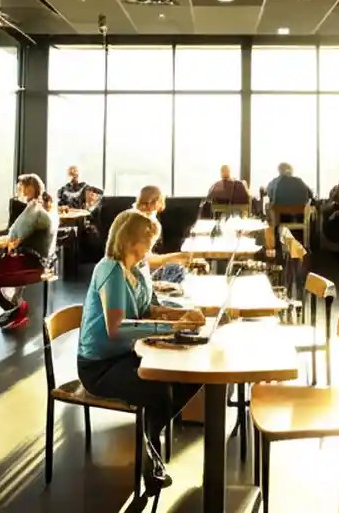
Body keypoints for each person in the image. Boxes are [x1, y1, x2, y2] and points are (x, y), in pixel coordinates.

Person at [77, 210, 205, 491]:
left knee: (192, 375)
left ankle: (151, 432)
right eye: (148, 241)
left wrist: (185, 314)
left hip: (126, 354)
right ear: (130, 241)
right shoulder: (109, 270)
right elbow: (117, 328)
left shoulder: (136, 269)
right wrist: (169, 328)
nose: (152, 247)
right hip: (99, 366)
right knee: (159, 391)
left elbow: (148, 308)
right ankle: (150, 445)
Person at [0, 174, 58, 330]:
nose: (19, 189)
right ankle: (13, 308)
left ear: (30, 188)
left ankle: (13, 309)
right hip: (34, 259)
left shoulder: (35, 210)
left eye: (22, 186)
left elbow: (17, 238)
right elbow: (16, 235)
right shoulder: (35, 207)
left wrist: (2, 242)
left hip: (33, 261)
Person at [135, 185, 192, 284]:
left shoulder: (140, 216)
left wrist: (178, 258)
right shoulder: (144, 223)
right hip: (137, 274)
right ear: (157, 202)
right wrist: (179, 257)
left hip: (139, 269)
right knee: (178, 270)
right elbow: (144, 262)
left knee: (180, 269)